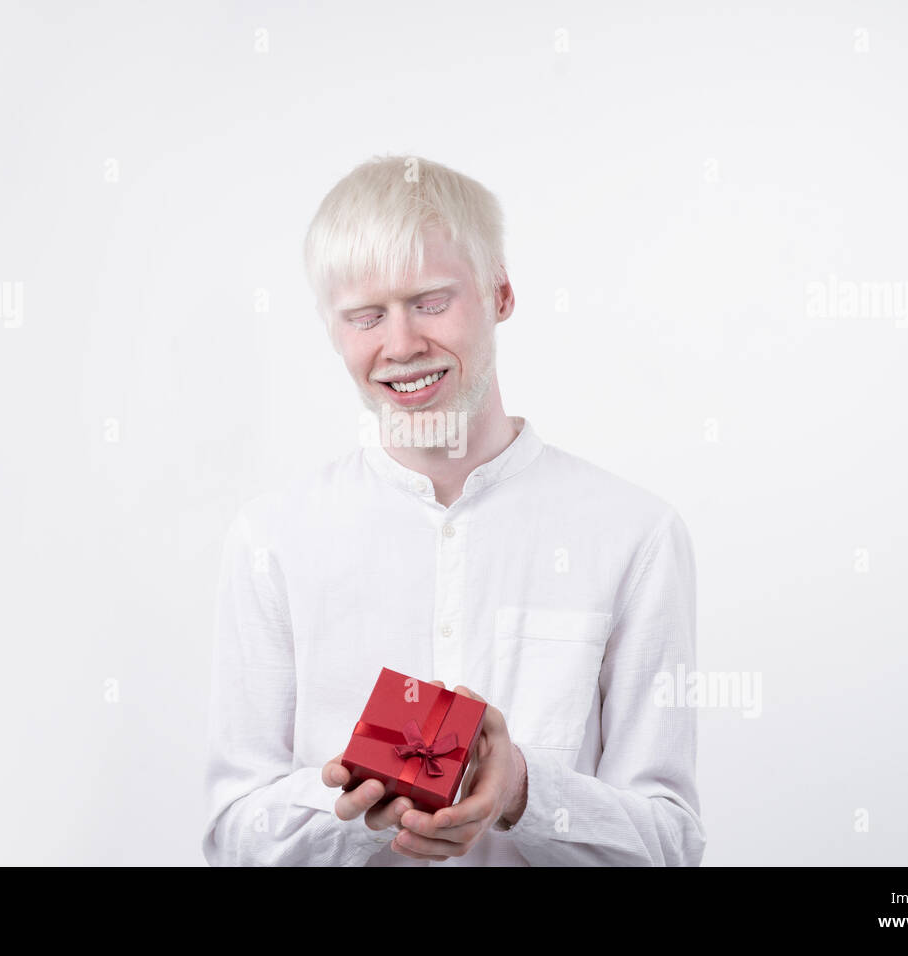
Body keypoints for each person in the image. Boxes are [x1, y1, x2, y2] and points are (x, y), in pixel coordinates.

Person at [200, 154, 706, 866]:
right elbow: (232, 839)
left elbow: (672, 846)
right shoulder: (271, 540)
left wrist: (523, 791)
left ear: (500, 293)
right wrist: (352, 800)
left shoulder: (635, 535)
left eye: (432, 301)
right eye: (366, 316)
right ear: (331, 329)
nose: (402, 345)